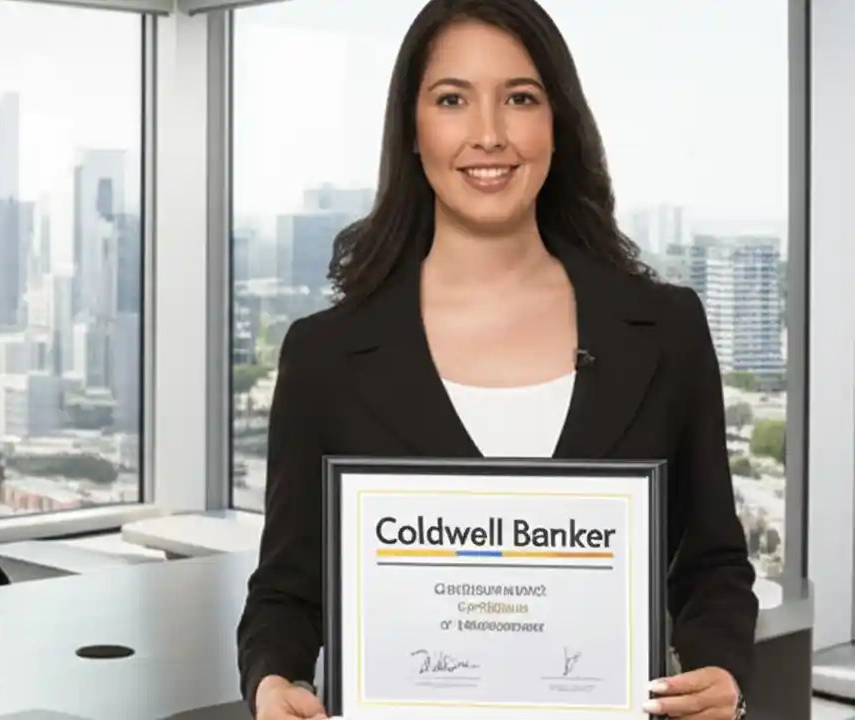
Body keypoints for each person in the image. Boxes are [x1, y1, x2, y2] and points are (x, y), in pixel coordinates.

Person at [234, 0, 759, 718]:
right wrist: (273, 682)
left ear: (557, 125)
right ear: (413, 132)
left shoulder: (665, 330)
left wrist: (721, 669)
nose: (489, 134)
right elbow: (287, 594)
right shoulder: (325, 355)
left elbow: (713, 567)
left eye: (520, 98)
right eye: (452, 100)